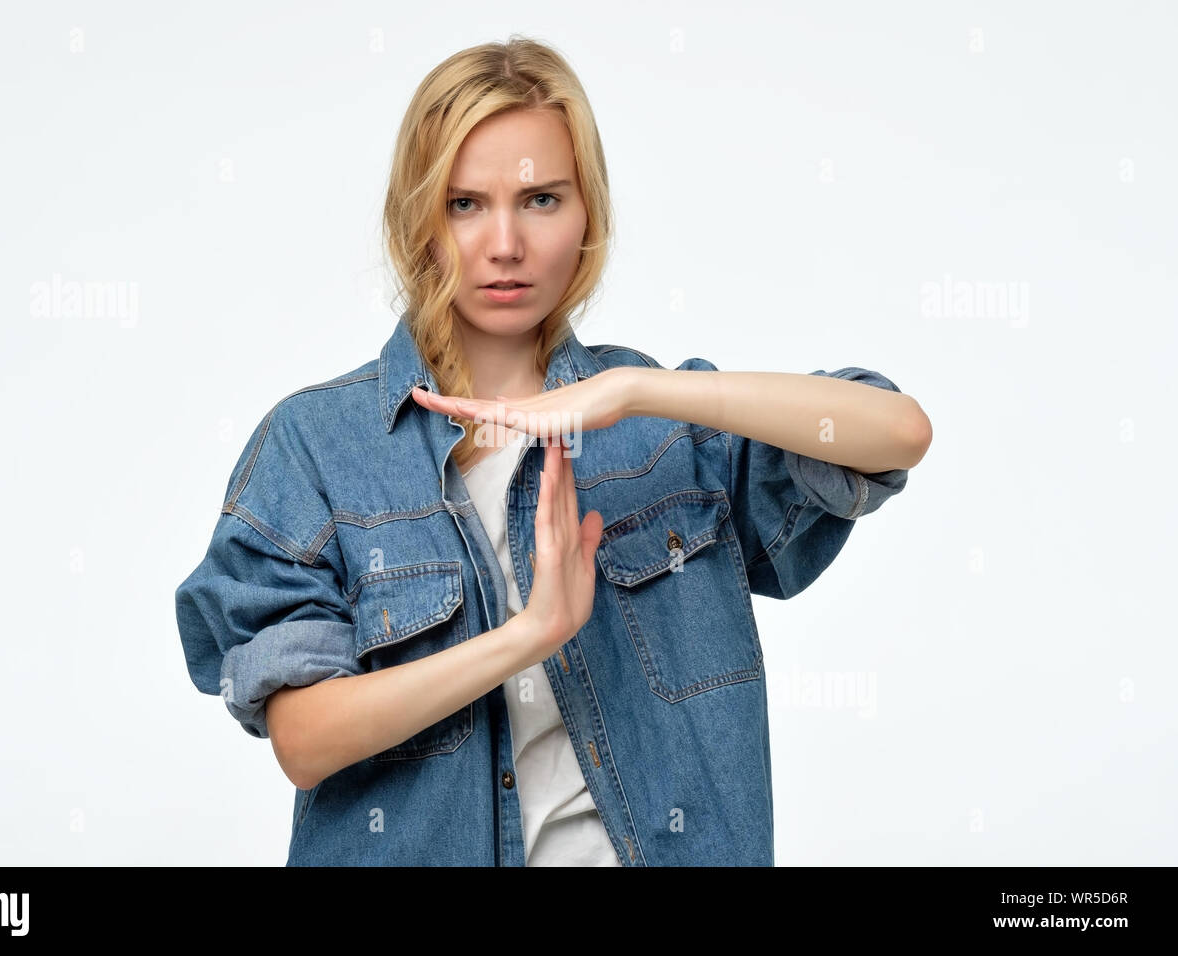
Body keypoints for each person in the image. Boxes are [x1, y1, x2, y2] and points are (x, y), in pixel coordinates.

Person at [174, 36, 932, 867]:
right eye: (465, 203)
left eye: (541, 199)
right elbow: (305, 739)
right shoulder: (317, 446)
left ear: (586, 214)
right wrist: (529, 634)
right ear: (417, 217)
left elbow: (895, 432)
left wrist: (640, 392)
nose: (505, 243)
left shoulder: (658, 430)